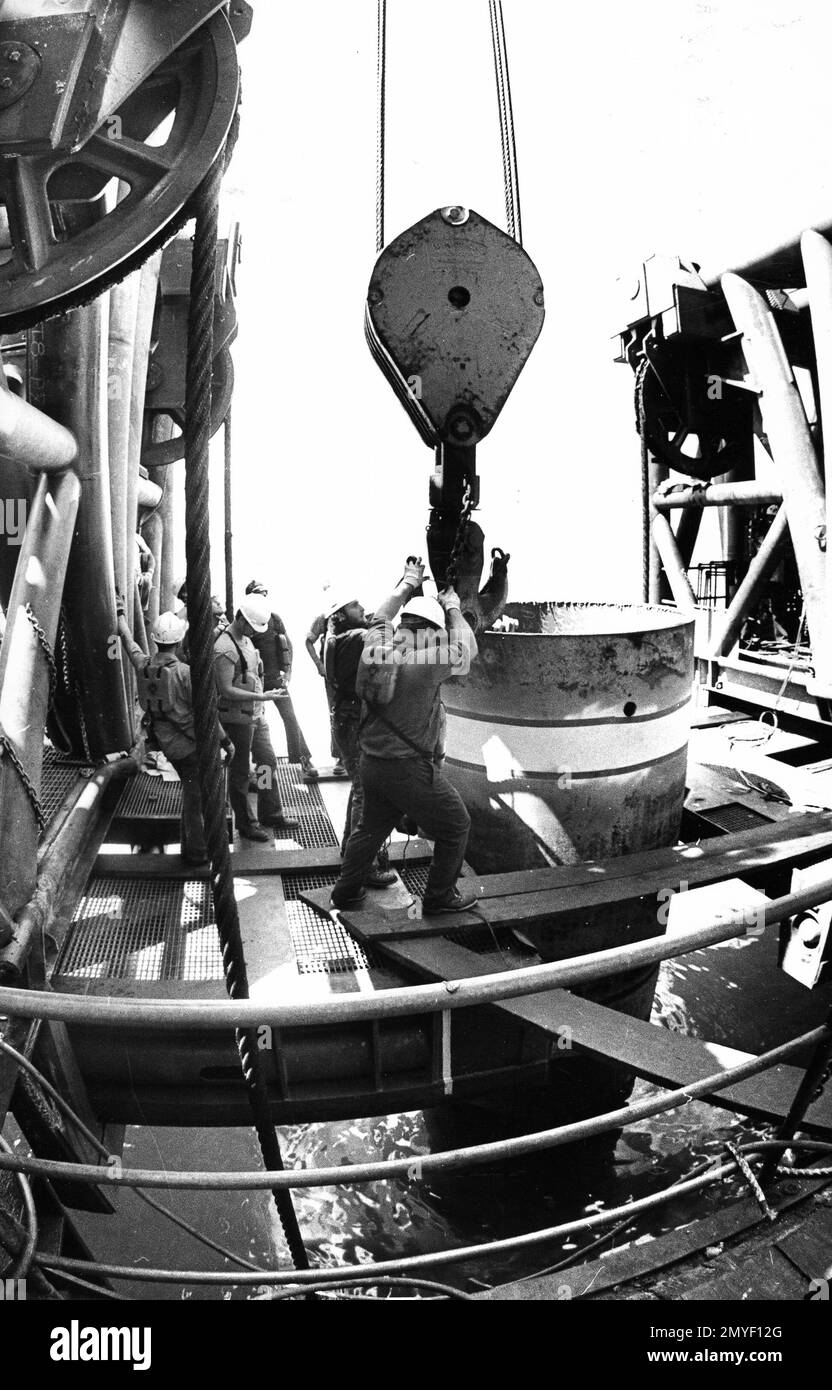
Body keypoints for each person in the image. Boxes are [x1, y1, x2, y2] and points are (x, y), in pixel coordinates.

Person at [330, 557, 479, 914]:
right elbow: (468, 649)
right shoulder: (427, 663)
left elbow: (379, 615)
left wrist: (409, 581)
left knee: (370, 829)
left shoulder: (377, 644)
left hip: (372, 764)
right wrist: (454, 608)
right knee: (456, 824)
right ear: (429, 630)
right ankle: (440, 896)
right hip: (407, 769)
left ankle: (346, 892)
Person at [115, 605, 212, 865]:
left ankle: (188, 845)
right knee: (196, 800)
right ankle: (197, 853)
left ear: (157, 641)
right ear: (179, 641)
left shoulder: (143, 664)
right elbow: (206, 716)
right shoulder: (185, 674)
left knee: (190, 793)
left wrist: (121, 616)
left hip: (166, 744)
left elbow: (129, 644)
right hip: (189, 747)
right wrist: (225, 742)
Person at [324, 590, 397, 888]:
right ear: (341, 615)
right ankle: (363, 866)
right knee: (365, 793)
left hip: (344, 720)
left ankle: (350, 848)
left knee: (358, 789)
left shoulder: (334, 640)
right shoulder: (356, 637)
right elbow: (381, 625)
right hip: (354, 722)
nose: (362, 606)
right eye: (355, 605)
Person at [213, 595, 300, 842]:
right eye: (252, 626)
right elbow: (225, 689)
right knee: (239, 773)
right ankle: (246, 824)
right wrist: (261, 697)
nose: (255, 632)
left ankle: (269, 812)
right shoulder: (224, 648)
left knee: (267, 761)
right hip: (238, 719)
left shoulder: (246, 639)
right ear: (240, 618)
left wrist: (260, 700)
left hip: (255, 715)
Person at [245, 580, 318, 781]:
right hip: (255, 683)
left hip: (276, 679)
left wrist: (289, 671)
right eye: (259, 594)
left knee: (290, 718)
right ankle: (258, 771)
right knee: (257, 726)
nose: (263, 597)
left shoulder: (274, 618)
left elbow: (287, 644)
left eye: (264, 593)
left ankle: (303, 759)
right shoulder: (246, 621)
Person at [306, 607, 347, 776]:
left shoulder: (356, 611)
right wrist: (319, 664)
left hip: (352, 670)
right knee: (336, 713)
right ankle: (340, 756)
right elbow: (308, 641)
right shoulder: (323, 616)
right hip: (332, 674)